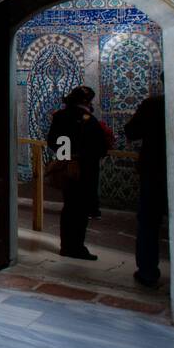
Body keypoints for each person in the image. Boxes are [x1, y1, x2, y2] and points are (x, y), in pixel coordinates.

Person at [47, 85, 109, 260]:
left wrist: (67, 157)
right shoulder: (89, 120)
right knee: (81, 210)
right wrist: (79, 158)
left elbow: (54, 141)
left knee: (69, 207)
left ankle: (67, 245)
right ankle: (76, 247)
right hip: (85, 171)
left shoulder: (60, 116)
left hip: (68, 170)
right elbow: (100, 148)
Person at [125, 93, 166, 287]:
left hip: (154, 170)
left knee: (149, 223)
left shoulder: (153, 104)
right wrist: (67, 158)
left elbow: (132, 131)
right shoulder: (68, 116)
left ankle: (148, 272)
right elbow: (61, 139)